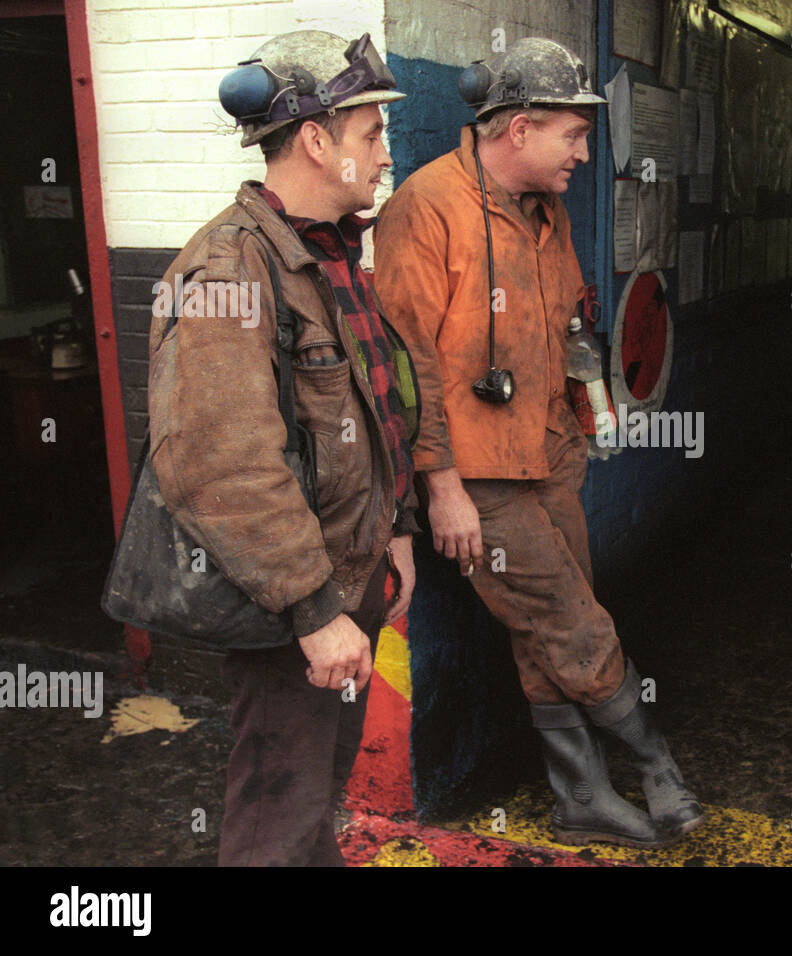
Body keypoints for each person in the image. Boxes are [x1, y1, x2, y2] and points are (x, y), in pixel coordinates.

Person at [374, 37, 703, 848]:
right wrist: (440, 486)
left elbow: (563, 331)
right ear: (518, 128)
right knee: (574, 625)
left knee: (549, 629)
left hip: (550, 454)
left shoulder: (544, 215)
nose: (586, 153)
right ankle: (658, 766)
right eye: (573, 133)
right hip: (479, 475)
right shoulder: (425, 208)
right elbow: (403, 367)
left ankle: (580, 796)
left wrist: (589, 416)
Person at [148, 30, 419, 864]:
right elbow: (221, 467)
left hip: (349, 579)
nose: (384, 155)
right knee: (275, 813)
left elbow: (377, 407)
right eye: (371, 133)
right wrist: (311, 609)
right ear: (315, 139)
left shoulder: (329, 252)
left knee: (311, 801)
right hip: (294, 608)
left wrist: (395, 531)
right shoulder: (229, 265)